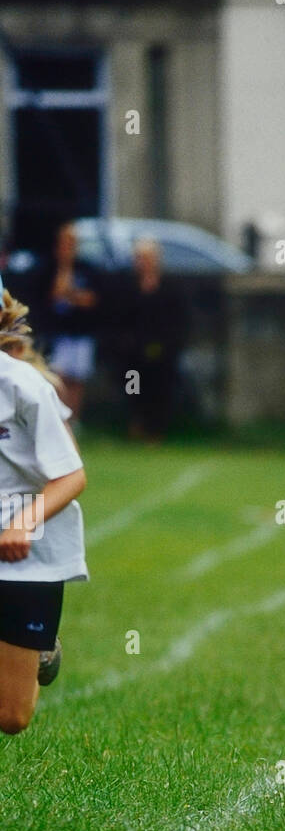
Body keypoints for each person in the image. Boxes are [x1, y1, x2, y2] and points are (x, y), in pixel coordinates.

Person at [0, 277, 88, 733]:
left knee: (11, 717)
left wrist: (23, 522)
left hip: (29, 555)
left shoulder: (23, 385)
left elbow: (72, 475)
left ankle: (41, 651)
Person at [120, 238, 188, 440]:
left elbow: (179, 319)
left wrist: (168, 343)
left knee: (159, 389)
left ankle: (156, 430)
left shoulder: (170, 287)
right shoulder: (129, 287)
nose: (143, 262)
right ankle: (136, 424)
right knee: (134, 389)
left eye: (147, 258)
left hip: (162, 351)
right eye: (140, 258)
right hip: (134, 352)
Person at [32, 222, 100, 422]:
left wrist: (70, 294)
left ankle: (73, 419)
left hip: (80, 331)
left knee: (77, 379)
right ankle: (56, 417)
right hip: (57, 334)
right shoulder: (49, 268)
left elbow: (90, 299)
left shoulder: (86, 268)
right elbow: (52, 295)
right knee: (58, 377)